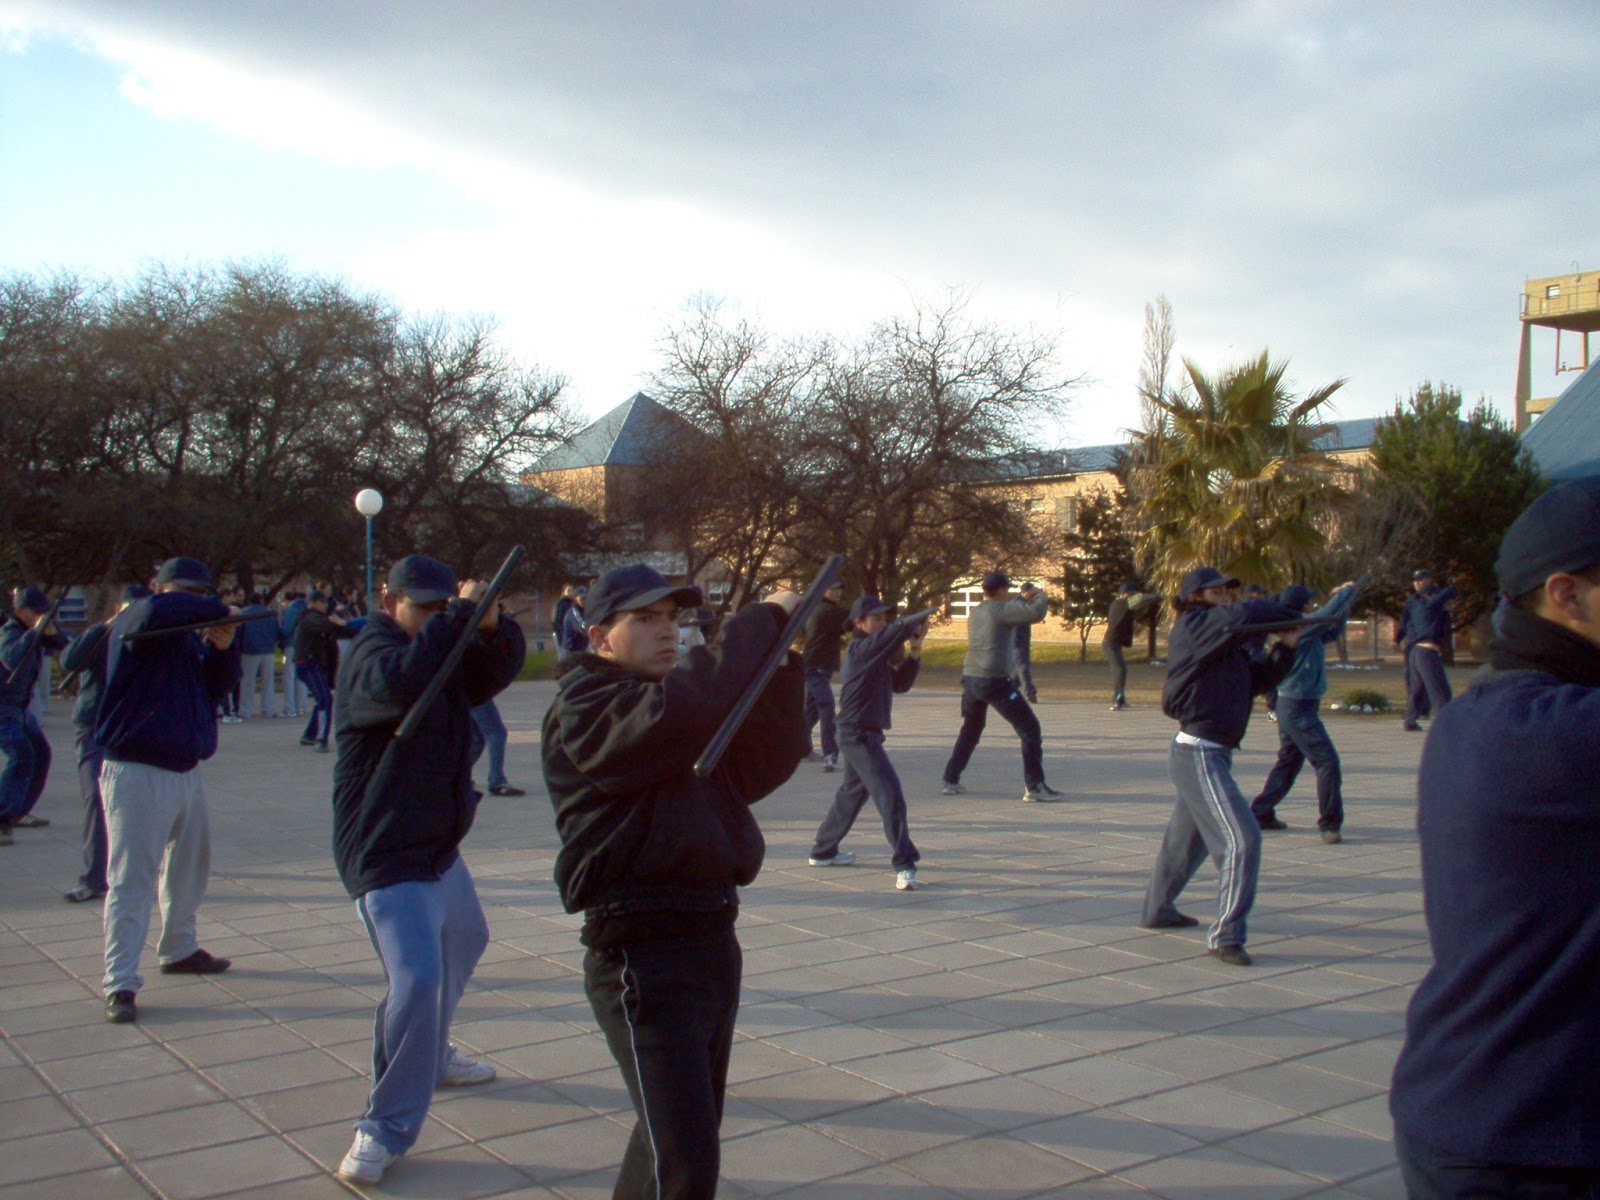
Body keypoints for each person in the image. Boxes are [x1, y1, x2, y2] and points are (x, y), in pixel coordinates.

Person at [541, 563, 805, 1200]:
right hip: (642, 956)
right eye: (645, 618)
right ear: (600, 635)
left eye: (673, 619)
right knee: (686, 1163)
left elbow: (761, 764)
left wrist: (781, 661)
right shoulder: (587, 705)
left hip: (712, 940)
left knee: (676, 1143)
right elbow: (682, 707)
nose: (668, 633)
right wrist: (761, 620)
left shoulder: (676, 710)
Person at [1389, 479, 1600, 1199]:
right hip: (1524, 1146)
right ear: (1566, 595)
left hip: (1494, 1113)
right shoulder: (1549, 735)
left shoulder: (1494, 715)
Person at [330, 554, 526, 1186]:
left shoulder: (440, 652)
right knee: (416, 982)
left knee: (467, 939)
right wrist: (462, 619)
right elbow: (402, 685)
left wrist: (492, 626)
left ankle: (432, 1054)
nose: (438, 619)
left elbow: (493, 672)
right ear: (391, 605)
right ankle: (381, 1128)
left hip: (438, 847)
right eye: (426, 608)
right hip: (387, 852)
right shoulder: (373, 654)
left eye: (446, 608)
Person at [97, 557, 240, 1024]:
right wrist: (213, 609)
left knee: (187, 871)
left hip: (185, 769)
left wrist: (223, 647)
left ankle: (178, 946)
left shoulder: (186, 639)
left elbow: (216, 689)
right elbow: (157, 612)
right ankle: (120, 980)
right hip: (137, 770)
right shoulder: (137, 619)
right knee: (131, 879)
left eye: (200, 594)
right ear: (158, 587)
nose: (194, 602)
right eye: (185, 593)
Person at [1139, 567, 1304, 966]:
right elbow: (1242, 616)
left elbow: (1257, 681)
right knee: (1242, 840)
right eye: (1216, 592)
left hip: (1209, 752)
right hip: (1198, 752)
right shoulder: (1195, 626)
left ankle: (1157, 910)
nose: (1225, 597)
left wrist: (1286, 646)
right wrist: (1284, 610)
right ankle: (1227, 935)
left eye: (1228, 591)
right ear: (1195, 597)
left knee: (1183, 844)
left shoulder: (1225, 643)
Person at [808, 595, 928, 890]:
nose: (882, 624)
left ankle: (823, 850)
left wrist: (915, 649)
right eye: (875, 619)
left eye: (884, 618)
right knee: (890, 794)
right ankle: (904, 863)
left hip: (861, 733)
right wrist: (906, 623)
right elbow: (890, 635)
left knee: (852, 793)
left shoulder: (876, 657)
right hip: (857, 735)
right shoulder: (860, 649)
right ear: (859, 623)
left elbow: (900, 685)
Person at [58, 584, 150, 900]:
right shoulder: (101, 634)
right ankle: (94, 877)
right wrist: (103, 628)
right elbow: (69, 660)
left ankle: (138, 867)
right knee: (97, 800)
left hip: (129, 728)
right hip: (94, 726)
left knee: (138, 801)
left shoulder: (145, 639)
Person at [1250, 581, 1359, 844]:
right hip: (1296, 706)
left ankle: (1260, 812)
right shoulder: (1298, 626)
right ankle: (1329, 824)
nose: (1313, 604)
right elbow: (1324, 618)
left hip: (1297, 703)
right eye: (1309, 601)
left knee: (1289, 761)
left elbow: (1331, 630)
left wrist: (1343, 605)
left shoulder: (1307, 629)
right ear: (1303, 606)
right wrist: (1344, 593)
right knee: (1326, 761)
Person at [940, 571, 1061, 802]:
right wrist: (1041, 595)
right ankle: (1034, 787)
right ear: (1002, 590)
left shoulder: (978, 610)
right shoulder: (1001, 610)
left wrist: (1021, 599)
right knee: (1030, 729)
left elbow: (1010, 609)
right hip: (994, 680)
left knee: (971, 729)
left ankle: (950, 779)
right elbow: (1036, 613)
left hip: (971, 677)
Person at [0, 586, 70, 843]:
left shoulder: (34, 630)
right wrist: (35, 633)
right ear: (19, 611)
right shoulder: (9, 632)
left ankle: (18, 810)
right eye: (35, 612)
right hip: (3, 708)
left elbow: (67, 647)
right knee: (21, 754)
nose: (40, 616)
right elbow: (10, 659)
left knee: (40, 753)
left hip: (20, 706)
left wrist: (51, 632)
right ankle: (3, 815)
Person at [1395, 569, 1458, 731]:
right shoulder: (1421, 603)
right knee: (1439, 688)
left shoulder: (1421, 602)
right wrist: (1447, 592)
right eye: (1415, 581)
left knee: (1417, 688)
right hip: (1425, 651)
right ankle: (1446, 723)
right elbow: (1433, 603)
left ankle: (1410, 721)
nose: (1417, 584)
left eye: (1420, 581)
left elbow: (1438, 604)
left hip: (1417, 651)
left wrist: (1446, 605)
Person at [292, 590, 352, 751]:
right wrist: (337, 619)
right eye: (323, 602)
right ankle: (321, 739)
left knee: (323, 699)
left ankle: (310, 735)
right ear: (313, 602)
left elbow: (338, 629)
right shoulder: (310, 617)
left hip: (311, 663)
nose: (325, 605)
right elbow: (328, 625)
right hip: (307, 663)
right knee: (325, 699)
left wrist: (342, 622)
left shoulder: (313, 617)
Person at [801, 579, 849, 771]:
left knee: (812, 711)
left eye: (839, 590)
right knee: (826, 705)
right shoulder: (826, 610)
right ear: (823, 591)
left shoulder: (823, 609)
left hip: (818, 667)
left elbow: (848, 624)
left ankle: (798, 747)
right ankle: (830, 753)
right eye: (833, 590)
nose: (837, 593)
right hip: (815, 668)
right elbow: (854, 618)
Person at [1103, 581, 1159, 711]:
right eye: (1131, 593)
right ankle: (1116, 700)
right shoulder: (1120, 603)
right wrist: (1156, 596)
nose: (1133, 595)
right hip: (1109, 644)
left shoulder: (1125, 606)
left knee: (1122, 670)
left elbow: (1138, 613)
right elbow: (1144, 598)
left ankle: (1121, 700)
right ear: (1124, 594)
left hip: (1114, 644)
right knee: (1119, 670)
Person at [236, 591, 280, 717]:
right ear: (261, 600)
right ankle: (268, 709)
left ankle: (245, 710)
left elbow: (239, 633)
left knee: (247, 681)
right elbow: (276, 631)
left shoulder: (244, 613)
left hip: (249, 651)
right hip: (268, 650)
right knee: (268, 681)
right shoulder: (270, 613)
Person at [470, 698, 524, 796]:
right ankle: (497, 782)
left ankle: (457, 775)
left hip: (461, 692)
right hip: (475, 691)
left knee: (477, 737)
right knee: (496, 732)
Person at [279, 591, 308, 716]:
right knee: (301, 677)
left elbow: (286, 630)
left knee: (288, 675)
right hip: (305, 646)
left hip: (291, 646)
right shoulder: (308, 609)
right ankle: (301, 707)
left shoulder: (292, 609)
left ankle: (289, 708)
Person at [1011, 582, 1040, 703]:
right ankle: (1030, 693)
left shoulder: (1023, 604)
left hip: (1022, 642)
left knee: (1017, 676)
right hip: (1016, 643)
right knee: (1023, 668)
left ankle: (1009, 695)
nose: (1033, 598)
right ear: (1024, 592)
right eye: (1032, 595)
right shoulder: (1018, 604)